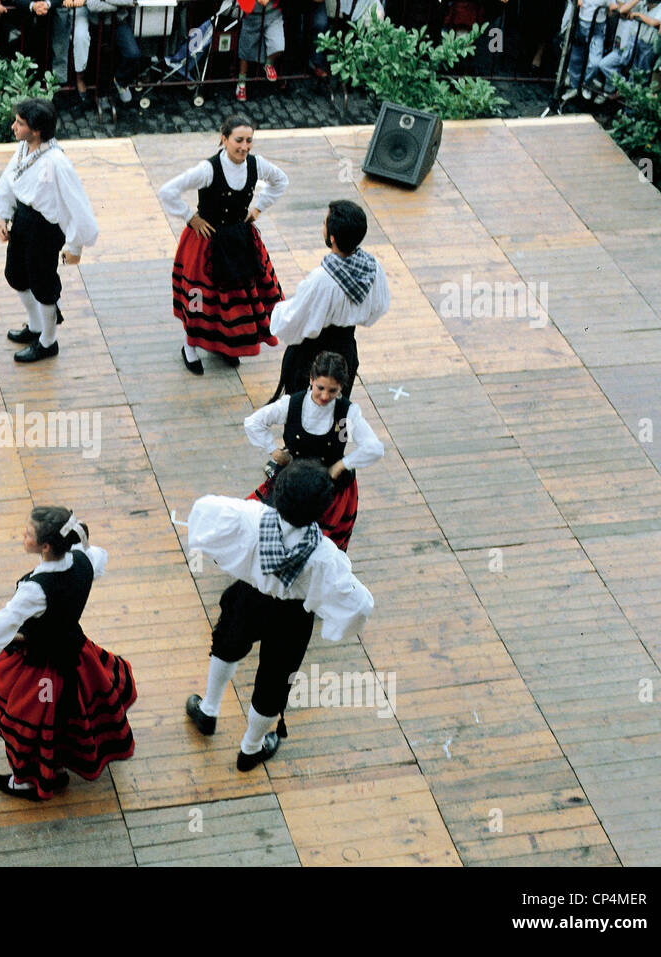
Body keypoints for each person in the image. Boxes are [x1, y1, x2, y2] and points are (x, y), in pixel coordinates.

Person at [184, 462, 374, 770]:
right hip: (292, 618)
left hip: (250, 597)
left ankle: (209, 710)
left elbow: (205, 509)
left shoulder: (251, 517)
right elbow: (361, 604)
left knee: (227, 644)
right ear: (323, 509)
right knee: (273, 683)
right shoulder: (325, 555)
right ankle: (250, 749)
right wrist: (336, 622)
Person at [0, 507, 136, 800]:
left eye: (28, 533)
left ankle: (28, 783)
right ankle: (59, 765)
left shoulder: (34, 591)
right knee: (71, 711)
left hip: (41, 667)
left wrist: (16, 636)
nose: (23, 536)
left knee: (30, 724)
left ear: (45, 546)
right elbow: (97, 556)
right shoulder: (84, 560)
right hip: (76, 654)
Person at [158, 114, 287, 375]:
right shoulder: (207, 170)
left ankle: (224, 345)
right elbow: (167, 191)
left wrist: (259, 209)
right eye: (238, 140)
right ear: (224, 138)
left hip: (239, 241)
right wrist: (189, 217)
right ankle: (190, 347)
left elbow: (281, 181)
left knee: (231, 298)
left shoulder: (256, 164)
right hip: (206, 243)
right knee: (199, 298)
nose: (244, 146)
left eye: (249, 141)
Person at [0, 97, 99, 363]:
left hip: (45, 229)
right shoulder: (24, 148)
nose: (14, 126)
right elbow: (9, 179)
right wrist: (3, 215)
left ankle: (48, 341)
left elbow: (77, 205)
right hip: (24, 219)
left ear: (36, 131)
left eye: (20, 123)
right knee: (15, 274)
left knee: (43, 285)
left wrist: (75, 247)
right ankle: (35, 325)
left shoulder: (57, 163)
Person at [245, 351, 383, 552]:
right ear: (311, 379)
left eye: (333, 391)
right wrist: (273, 451)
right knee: (266, 531)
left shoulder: (346, 413)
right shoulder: (292, 404)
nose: (325, 396)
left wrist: (342, 464)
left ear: (341, 388)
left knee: (319, 547)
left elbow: (374, 448)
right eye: (320, 388)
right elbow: (253, 423)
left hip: (330, 489)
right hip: (294, 481)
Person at [267, 199, 388, 401]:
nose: (322, 226)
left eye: (324, 223)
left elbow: (294, 320)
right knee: (336, 407)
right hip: (345, 352)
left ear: (332, 238)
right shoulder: (372, 267)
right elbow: (378, 307)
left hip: (312, 357)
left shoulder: (322, 279)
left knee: (304, 411)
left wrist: (278, 311)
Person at [233, 0, 284, 101]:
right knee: (246, 51)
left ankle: (268, 64)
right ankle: (241, 82)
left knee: (278, 45)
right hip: (251, 16)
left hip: (273, 13)